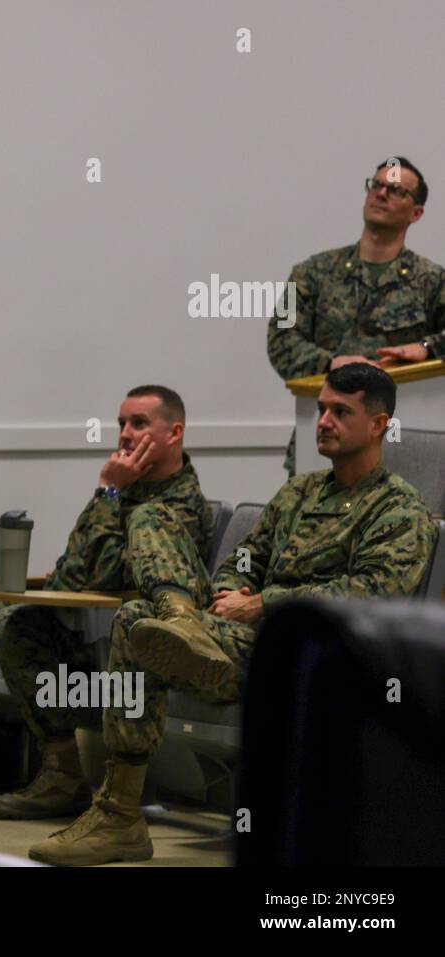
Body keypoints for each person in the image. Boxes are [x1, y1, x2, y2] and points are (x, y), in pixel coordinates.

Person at [29, 364, 438, 865]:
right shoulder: (299, 492)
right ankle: (120, 812)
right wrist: (228, 595)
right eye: (322, 409)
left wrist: (263, 603)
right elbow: (244, 560)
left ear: (378, 424)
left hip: (307, 657)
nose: (324, 421)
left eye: (340, 411)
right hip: (240, 637)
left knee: (139, 618)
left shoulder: (398, 508)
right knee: (137, 609)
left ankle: (120, 812)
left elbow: (374, 595)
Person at [0, 386, 212, 817]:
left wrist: (108, 492)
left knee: (14, 627)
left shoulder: (181, 507)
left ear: (175, 433)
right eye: (121, 424)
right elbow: (72, 568)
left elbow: (104, 577)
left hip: (110, 639)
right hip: (67, 618)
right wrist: (110, 495)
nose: (125, 435)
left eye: (139, 424)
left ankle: (62, 775)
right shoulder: (122, 490)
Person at [268, 157, 445, 475]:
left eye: (395, 190)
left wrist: (428, 347)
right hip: (322, 441)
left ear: (416, 213)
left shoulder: (432, 281)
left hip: (403, 441)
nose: (380, 194)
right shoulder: (312, 273)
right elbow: (281, 339)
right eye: (376, 185)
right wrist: (330, 363)